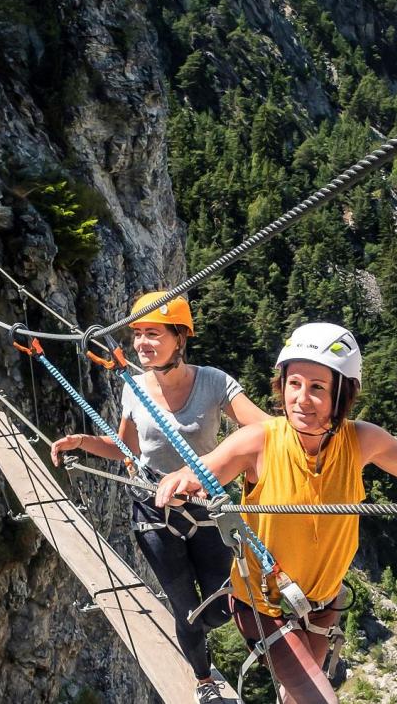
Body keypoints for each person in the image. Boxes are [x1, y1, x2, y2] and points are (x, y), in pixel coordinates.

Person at [154, 322, 397, 703]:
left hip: (322, 605)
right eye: (294, 384)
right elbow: (206, 468)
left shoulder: (361, 440)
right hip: (263, 605)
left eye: (318, 387)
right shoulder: (260, 440)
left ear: (341, 393)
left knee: (295, 697)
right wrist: (181, 479)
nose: (302, 399)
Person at [50, 292, 270, 703]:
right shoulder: (133, 388)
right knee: (187, 610)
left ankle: (211, 647)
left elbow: (265, 431)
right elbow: (124, 448)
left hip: (206, 508)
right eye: (137, 334)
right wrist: (82, 442)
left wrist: (312, 440)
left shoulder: (214, 382)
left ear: (179, 337)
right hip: (153, 512)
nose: (142, 343)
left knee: (225, 604)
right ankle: (204, 682)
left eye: (153, 333)